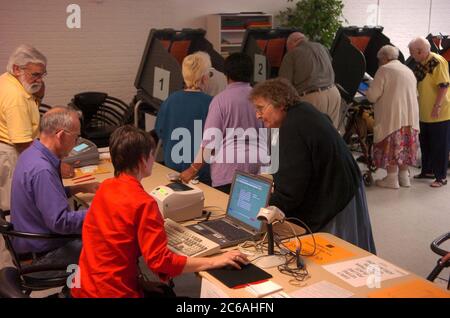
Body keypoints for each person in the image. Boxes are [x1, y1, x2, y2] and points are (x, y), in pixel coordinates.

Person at [71, 125, 248, 298]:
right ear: (142, 160)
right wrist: (216, 260)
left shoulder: (106, 187)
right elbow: (160, 262)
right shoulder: (143, 203)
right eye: (151, 155)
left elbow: (111, 248)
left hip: (85, 285)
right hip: (112, 291)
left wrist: (138, 281)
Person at [249, 78, 376, 253]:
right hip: (346, 184)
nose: (257, 115)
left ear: (279, 104)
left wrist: (260, 211)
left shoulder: (292, 128)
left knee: (339, 255)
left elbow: (291, 189)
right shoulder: (302, 111)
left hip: (336, 197)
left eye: (261, 108)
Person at [10, 106, 99, 266]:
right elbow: (61, 222)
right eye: (76, 137)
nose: (76, 142)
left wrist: (79, 188)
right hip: (42, 255)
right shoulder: (42, 169)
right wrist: (101, 211)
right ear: (61, 135)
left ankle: (77, 288)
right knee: (108, 243)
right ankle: (78, 290)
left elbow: (43, 197)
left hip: (31, 242)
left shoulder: (31, 154)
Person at [180, 52, 264, 194]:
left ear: (227, 74)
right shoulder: (261, 99)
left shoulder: (220, 101)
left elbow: (210, 141)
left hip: (228, 174)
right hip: (256, 171)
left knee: (227, 214)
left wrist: (192, 169)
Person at [365, 45, 420, 189]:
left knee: (393, 146)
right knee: (405, 146)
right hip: (410, 117)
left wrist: (368, 90)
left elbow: (373, 96)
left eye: (379, 60)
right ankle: (404, 178)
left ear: (384, 58)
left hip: (393, 117)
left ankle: (391, 179)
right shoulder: (408, 70)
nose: (378, 62)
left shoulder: (384, 70)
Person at [154, 52, 213, 184]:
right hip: (201, 174)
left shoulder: (170, 100)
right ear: (204, 78)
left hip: (172, 170)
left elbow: (161, 132)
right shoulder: (211, 104)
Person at [0, 44, 47, 211]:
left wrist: (38, 91)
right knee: (14, 207)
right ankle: (15, 237)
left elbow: (36, 94)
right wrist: (50, 163)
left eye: (42, 75)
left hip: (9, 149)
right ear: (16, 69)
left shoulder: (8, 79)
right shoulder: (16, 98)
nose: (40, 80)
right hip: (12, 153)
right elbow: (22, 143)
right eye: (35, 75)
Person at [408, 37, 450, 187]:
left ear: (420, 51)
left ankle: (441, 177)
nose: (411, 55)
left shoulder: (436, 61)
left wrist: (437, 106)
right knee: (425, 143)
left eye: (412, 52)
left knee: (440, 146)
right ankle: (428, 170)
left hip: (439, 113)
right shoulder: (422, 62)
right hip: (424, 111)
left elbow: (444, 85)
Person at [278, 32, 341, 129]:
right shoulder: (322, 47)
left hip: (313, 98)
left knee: (310, 136)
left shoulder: (292, 54)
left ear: (291, 44)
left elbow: (284, 85)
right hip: (334, 93)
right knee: (330, 135)